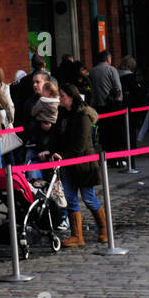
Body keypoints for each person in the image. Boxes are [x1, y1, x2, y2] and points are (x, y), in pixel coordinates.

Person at [46, 84, 105, 246]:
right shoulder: (63, 114)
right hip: (67, 164)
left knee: (89, 198)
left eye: (63, 96)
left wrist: (63, 155)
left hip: (83, 164)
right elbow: (56, 135)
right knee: (71, 199)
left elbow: (80, 144)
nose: (60, 99)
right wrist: (50, 150)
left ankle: (104, 229)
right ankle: (77, 236)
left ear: (72, 97)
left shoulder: (83, 116)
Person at [89, 50, 124, 164]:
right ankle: (117, 158)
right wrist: (118, 101)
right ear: (108, 59)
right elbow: (118, 88)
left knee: (104, 133)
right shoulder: (111, 69)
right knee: (115, 133)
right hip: (112, 106)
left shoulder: (92, 71)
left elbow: (92, 91)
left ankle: (107, 158)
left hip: (99, 106)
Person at [23, 76, 60, 164]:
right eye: (33, 82)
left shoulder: (42, 101)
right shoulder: (29, 101)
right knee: (34, 176)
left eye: (38, 82)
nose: (34, 85)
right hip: (35, 144)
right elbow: (26, 121)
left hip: (52, 145)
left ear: (47, 83)